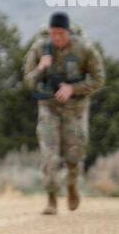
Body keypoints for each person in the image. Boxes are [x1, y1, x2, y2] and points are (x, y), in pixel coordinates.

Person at [21, 11, 106, 214]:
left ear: (68, 32)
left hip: (75, 110)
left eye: (61, 33)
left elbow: (99, 79)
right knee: (49, 156)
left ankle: (72, 186)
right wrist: (41, 68)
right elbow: (28, 81)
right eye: (53, 33)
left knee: (74, 156)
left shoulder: (84, 49)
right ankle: (51, 199)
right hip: (49, 108)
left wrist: (73, 89)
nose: (57, 38)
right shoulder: (40, 48)